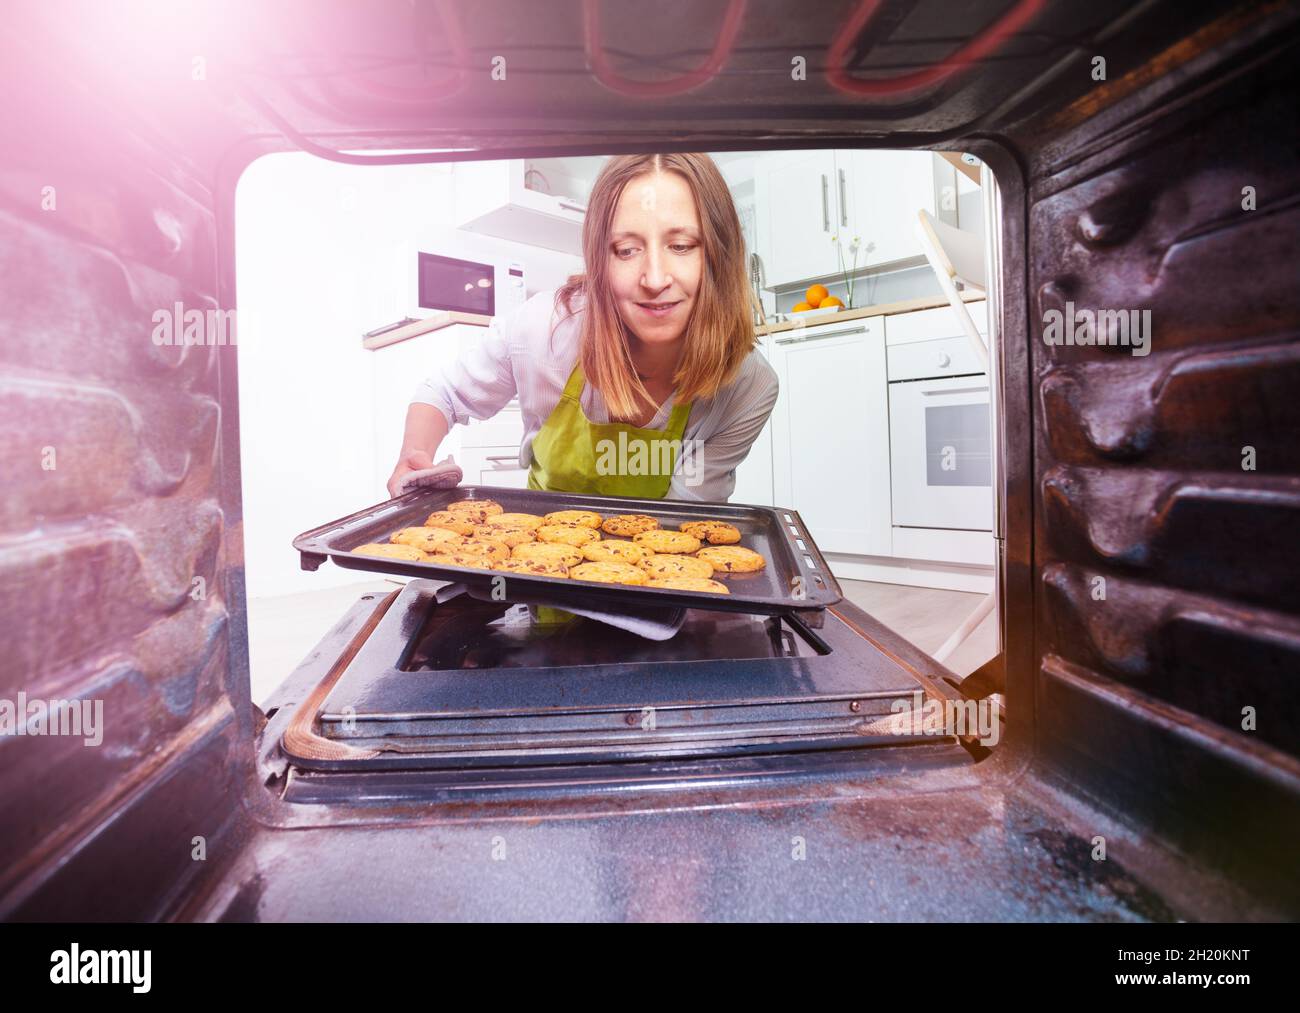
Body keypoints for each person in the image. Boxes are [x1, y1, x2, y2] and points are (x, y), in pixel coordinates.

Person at [387, 152, 778, 503]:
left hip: (656, 561)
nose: (655, 279)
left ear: (719, 254)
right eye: (626, 250)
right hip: (540, 552)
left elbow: (682, 519)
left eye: (681, 246)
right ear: (600, 260)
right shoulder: (543, 330)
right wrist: (413, 455)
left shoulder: (747, 385)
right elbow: (444, 394)